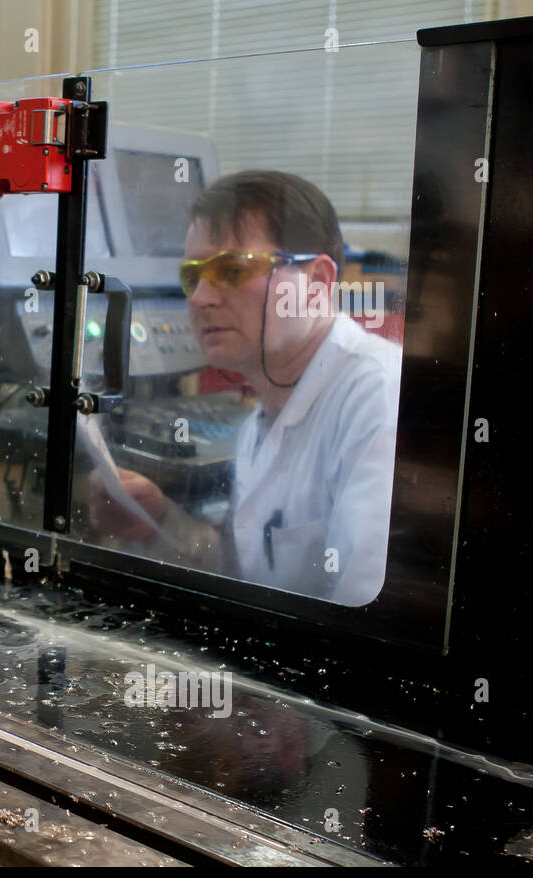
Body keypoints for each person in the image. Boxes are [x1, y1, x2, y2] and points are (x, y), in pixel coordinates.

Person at [88, 170, 401, 606]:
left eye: (232, 270)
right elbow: (244, 582)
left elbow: (364, 620)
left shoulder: (377, 399)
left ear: (317, 284)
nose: (199, 298)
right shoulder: (262, 420)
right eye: (191, 277)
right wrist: (158, 520)